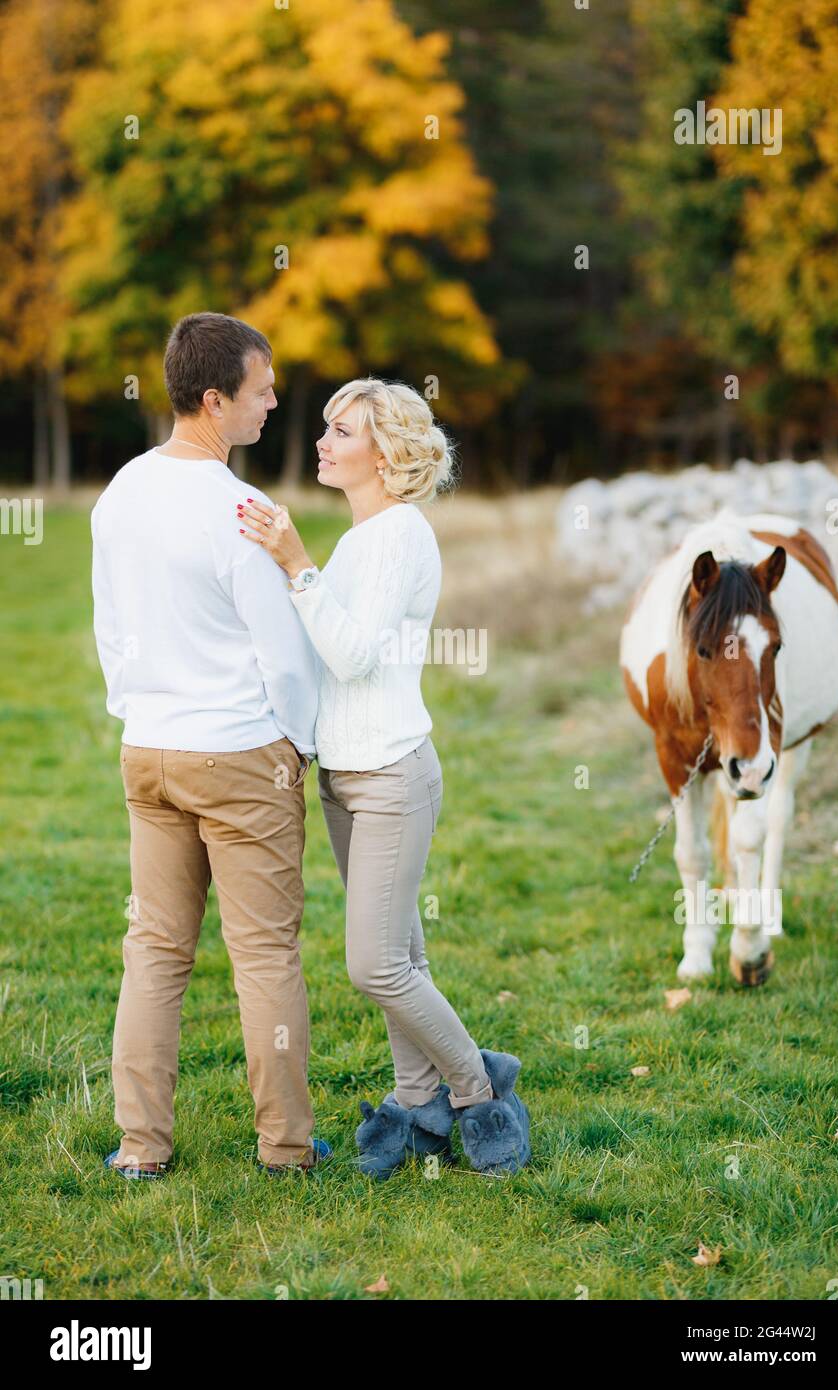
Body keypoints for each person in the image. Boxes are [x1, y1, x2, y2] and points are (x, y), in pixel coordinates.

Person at [236, 377, 531, 1177]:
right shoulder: (364, 536)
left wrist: (297, 566)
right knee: (405, 956)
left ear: (387, 453)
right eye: (326, 428)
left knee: (375, 965)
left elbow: (355, 655)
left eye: (342, 431)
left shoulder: (401, 533)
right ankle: (414, 1101)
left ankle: (478, 1089)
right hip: (345, 776)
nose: (324, 442)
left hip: (393, 773)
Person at [91, 312, 330, 1180]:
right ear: (213, 398)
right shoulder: (246, 511)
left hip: (148, 750)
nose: (271, 405)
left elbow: (110, 630)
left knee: (154, 949)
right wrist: (295, 747)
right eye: (261, 392)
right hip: (239, 756)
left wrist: (141, 709)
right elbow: (284, 656)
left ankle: (141, 1149)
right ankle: (286, 1150)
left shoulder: (119, 493)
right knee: (264, 953)